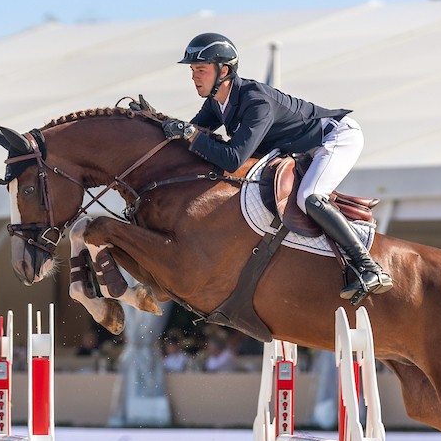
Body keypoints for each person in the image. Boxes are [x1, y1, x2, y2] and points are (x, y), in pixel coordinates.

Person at [165, 32, 392, 301]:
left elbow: (231, 158)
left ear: (223, 70)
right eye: (192, 70)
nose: (194, 77)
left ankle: (369, 267)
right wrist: (157, 126)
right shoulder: (217, 103)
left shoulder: (255, 101)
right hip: (304, 148)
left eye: (200, 70)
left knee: (310, 197)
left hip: (335, 137)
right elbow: (193, 134)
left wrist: (189, 133)